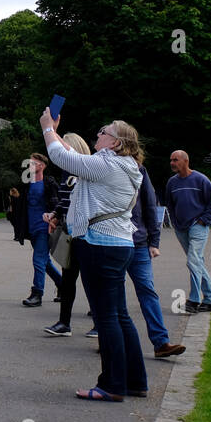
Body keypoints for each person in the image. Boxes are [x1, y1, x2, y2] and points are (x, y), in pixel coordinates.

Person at [42, 112, 146, 402]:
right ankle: (135, 380)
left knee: (107, 317)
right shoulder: (125, 166)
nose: (98, 134)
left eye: (104, 131)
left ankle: (112, 385)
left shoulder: (106, 164)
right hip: (119, 244)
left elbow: (61, 157)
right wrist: (57, 133)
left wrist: (47, 129)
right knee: (120, 315)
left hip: (99, 245)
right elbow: (73, 155)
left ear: (115, 142)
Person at [127, 159, 185, 358]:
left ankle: (161, 342)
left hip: (139, 242)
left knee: (147, 291)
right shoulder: (101, 166)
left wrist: (154, 242)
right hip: (112, 242)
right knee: (111, 293)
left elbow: (150, 206)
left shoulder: (140, 170)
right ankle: (107, 337)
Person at [43, 133, 93, 337]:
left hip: (88, 232)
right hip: (70, 232)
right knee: (68, 278)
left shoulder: (88, 170)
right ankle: (64, 323)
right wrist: (55, 214)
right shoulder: (66, 172)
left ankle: (99, 323)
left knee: (91, 280)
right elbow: (65, 199)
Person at [164, 150, 211, 313]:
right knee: (197, 262)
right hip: (181, 228)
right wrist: (175, 222)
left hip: (198, 226)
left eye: (175, 160)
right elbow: (170, 205)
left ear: (185, 161)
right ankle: (210, 300)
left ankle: (194, 300)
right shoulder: (172, 183)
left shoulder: (200, 180)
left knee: (193, 261)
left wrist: (203, 220)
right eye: (171, 160)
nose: (172, 163)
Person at [14, 153, 62, 307]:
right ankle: (63, 285)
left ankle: (37, 293)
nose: (30, 166)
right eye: (29, 163)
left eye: (34, 163)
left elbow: (58, 205)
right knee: (44, 262)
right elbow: (21, 207)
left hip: (45, 228)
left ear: (42, 166)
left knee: (38, 259)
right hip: (32, 228)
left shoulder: (49, 183)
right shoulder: (26, 185)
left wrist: (54, 220)